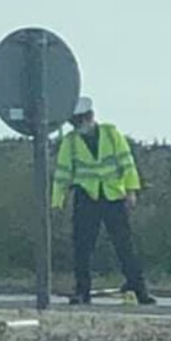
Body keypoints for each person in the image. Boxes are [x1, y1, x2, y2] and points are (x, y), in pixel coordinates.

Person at [52, 96, 154, 305]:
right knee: (82, 247)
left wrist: (131, 190)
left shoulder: (111, 134)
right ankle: (82, 291)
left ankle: (138, 288)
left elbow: (127, 163)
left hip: (113, 196)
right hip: (86, 197)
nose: (78, 125)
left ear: (90, 116)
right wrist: (57, 201)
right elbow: (62, 173)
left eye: (80, 120)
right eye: (75, 122)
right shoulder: (70, 143)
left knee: (124, 245)